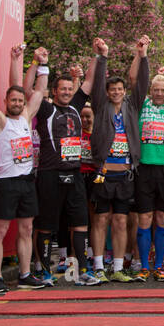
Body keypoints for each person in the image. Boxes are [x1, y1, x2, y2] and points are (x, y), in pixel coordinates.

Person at [0, 47, 48, 293]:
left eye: (21, 100)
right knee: (0, 230)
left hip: (26, 182)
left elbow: (40, 91)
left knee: (27, 228)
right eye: (14, 100)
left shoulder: (25, 117)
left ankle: (25, 274)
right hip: (6, 182)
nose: (19, 104)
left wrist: (43, 64)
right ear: (7, 102)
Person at [30, 47, 92, 286]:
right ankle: (44, 271)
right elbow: (32, 90)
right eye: (62, 89)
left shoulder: (77, 105)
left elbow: (88, 82)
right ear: (54, 92)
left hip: (74, 173)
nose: (66, 92)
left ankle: (81, 271)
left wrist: (100, 55)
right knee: (46, 224)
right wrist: (40, 64)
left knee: (80, 222)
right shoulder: (46, 108)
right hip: (49, 173)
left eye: (69, 89)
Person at [88, 37, 148, 283]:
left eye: (119, 89)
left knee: (122, 221)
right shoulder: (101, 105)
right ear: (107, 92)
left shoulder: (132, 106)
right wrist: (102, 56)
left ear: (124, 92)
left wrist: (143, 57)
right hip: (103, 172)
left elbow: (142, 84)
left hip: (125, 174)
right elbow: (96, 84)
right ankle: (99, 266)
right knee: (101, 219)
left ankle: (119, 268)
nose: (116, 92)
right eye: (112, 89)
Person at [132, 58, 164, 281]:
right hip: (144, 168)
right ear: (150, 91)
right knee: (144, 219)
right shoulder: (142, 105)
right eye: (156, 90)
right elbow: (134, 80)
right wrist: (142, 55)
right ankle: (143, 266)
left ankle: (160, 266)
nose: (159, 93)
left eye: (163, 90)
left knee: (162, 218)